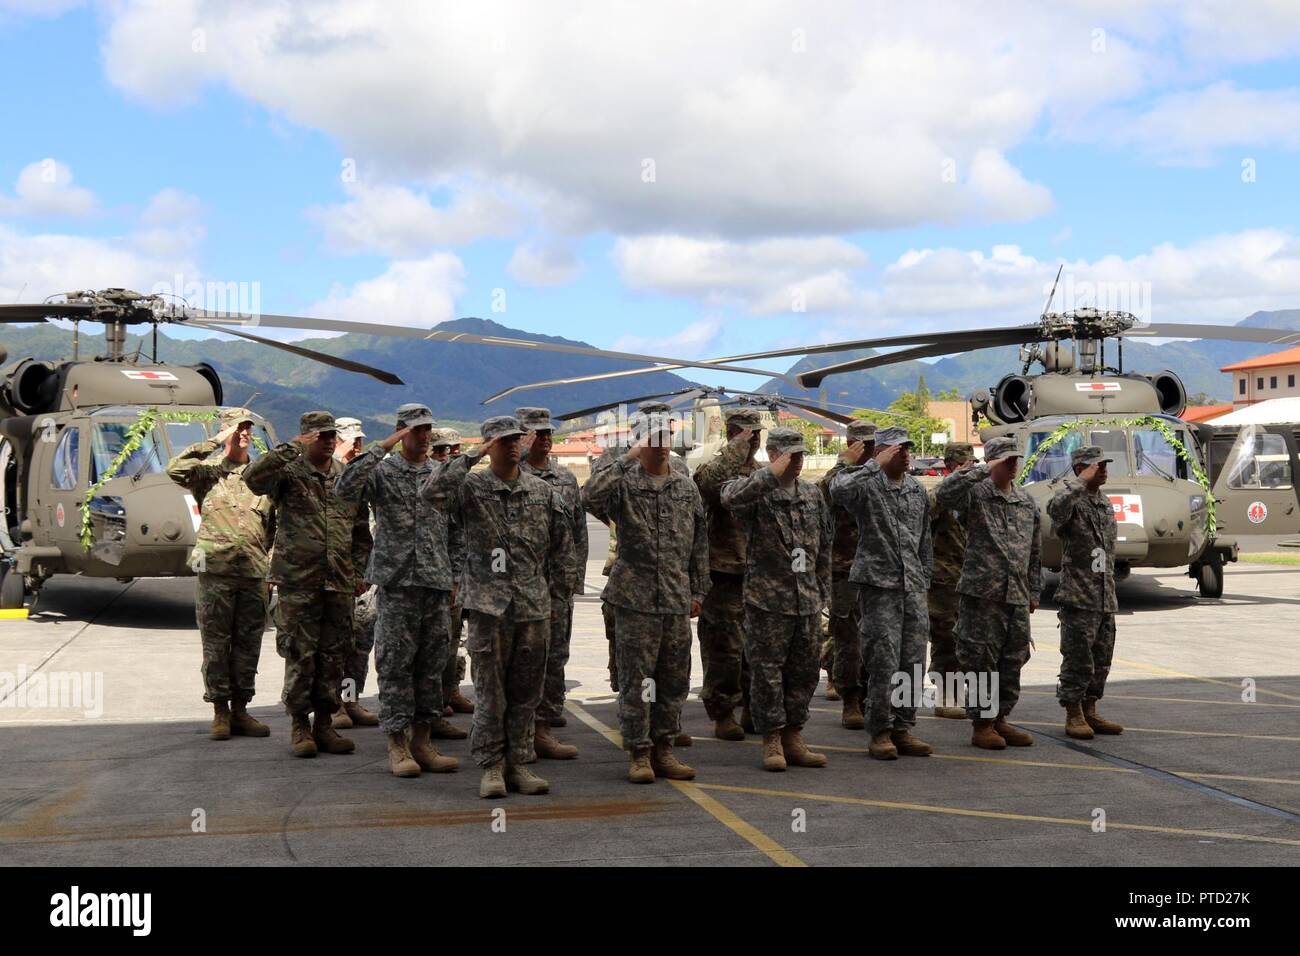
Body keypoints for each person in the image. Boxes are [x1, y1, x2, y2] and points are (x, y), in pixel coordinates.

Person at [422, 416, 573, 799]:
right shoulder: (471, 487)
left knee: (526, 692)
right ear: (490, 444)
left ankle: (519, 762)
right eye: (502, 440)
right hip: (490, 608)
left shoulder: (541, 490)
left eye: (515, 440)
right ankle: (491, 767)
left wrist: (557, 597)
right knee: (490, 693)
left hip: (532, 607)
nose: (511, 446)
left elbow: (562, 549)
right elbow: (431, 494)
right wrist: (472, 455)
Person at [583, 411, 708, 784]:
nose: (662, 444)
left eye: (666, 437)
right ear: (640, 442)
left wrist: (699, 590)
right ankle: (639, 752)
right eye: (653, 438)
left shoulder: (685, 486)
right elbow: (587, 497)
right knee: (638, 681)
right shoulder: (623, 483)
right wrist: (627, 458)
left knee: (674, 679)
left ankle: (664, 748)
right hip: (633, 598)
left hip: (674, 597)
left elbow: (699, 542)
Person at [336, 404, 459, 778]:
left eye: (427, 429)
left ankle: (423, 741)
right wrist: (382, 447)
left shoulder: (440, 474)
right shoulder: (383, 472)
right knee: (394, 665)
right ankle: (397, 744)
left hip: (435, 583)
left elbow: (457, 529)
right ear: (402, 432)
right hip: (397, 583)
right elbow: (345, 487)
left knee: (431, 665)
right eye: (416, 430)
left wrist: (456, 575)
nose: (424, 436)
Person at [243, 411, 370, 759]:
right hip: (299, 581)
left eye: (332, 435)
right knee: (301, 655)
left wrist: (358, 571)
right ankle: (300, 724)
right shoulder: (289, 472)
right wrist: (290, 448)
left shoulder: (346, 477)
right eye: (321, 435)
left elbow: (361, 531)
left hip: (339, 582)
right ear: (306, 437)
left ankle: (325, 724)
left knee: (333, 655)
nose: (329, 441)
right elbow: (253, 479)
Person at [720, 428, 831, 771]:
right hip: (768, 600)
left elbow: (823, 544)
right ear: (773, 455)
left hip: (807, 600)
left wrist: (823, 589)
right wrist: (770, 474)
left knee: (805, 671)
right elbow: (728, 497)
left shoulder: (812, 494)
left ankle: (794, 735)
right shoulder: (756, 492)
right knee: (767, 673)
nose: (797, 461)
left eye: (800, 455)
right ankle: (772, 738)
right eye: (790, 455)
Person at [166, 407, 275, 741]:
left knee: (248, 644)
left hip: (254, 574)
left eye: (249, 428)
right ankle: (220, 711)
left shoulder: (261, 477)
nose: (246, 433)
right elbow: (175, 469)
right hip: (216, 574)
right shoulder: (208, 474)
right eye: (240, 428)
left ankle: (242, 709)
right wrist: (214, 441)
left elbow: (274, 526)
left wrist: (269, 566)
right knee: (216, 645)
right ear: (227, 431)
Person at [829, 426, 934, 760]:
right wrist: (873, 464)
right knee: (882, 661)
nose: (905, 454)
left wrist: (924, 579)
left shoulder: (916, 490)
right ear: (883, 451)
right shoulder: (868, 484)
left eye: (908, 448)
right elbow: (837, 489)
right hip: (879, 587)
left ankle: (903, 728)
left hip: (913, 587)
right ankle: (880, 731)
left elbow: (924, 541)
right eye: (898, 448)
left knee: (913, 661)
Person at [935, 435, 1042, 750]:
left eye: (1015, 459)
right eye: (1005, 460)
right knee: (982, 660)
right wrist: (981, 470)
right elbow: (945, 494)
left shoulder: (1025, 501)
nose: (1013, 465)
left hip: (1017, 595)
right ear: (993, 461)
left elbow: (1034, 551)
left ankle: (1000, 719)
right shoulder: (976, 495)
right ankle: (982, 724)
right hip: (983, 596)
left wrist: (1034, 590)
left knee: (1013, 659)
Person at [516, 406, 587, 760]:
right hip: (521, 587)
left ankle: (543, 727)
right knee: (521, 661)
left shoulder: (565, 479)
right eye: (536, 434)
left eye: (547, 433)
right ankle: (518, 730)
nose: (544, 439)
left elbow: (578, 533)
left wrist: (574, 580)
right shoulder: (509, 476)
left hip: (556, 586)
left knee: (554, 657)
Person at [693, 407, 763, 740]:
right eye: (746, 434)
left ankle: (753, 706)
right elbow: (711, 484)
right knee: (725, 650)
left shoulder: (762, 472)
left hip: (757, 575)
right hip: (723, 574)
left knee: (757, 649)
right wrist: (736, 446)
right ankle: (723, 713)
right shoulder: (715, 469)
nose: (753, 440)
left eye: (756, 434)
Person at [1047, 445, 1123, 740]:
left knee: (1102, 657)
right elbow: (1055, 511)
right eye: (1096, 465)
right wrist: (1080, 481)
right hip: (1078, 595)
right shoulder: (1070, 499)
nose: (1103, 469)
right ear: (1080, 468)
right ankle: (1074, 711)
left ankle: (1091, 707)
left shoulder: (1103, 503)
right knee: (1078, 657)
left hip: (1104, 594)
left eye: (1105, 464)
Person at [818, 419, 875, 729]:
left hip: (876, 570)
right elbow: (825, 494)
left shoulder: (877, 474)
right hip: (844, 570)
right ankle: (850, 700)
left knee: (876, 638)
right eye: (859, 443)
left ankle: (872, 697)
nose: (864, 450)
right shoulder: (837, 476)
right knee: (848, 639)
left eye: (869, 444)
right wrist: (844, 464)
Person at [331, 415, 379, 730]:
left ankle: (350, 699)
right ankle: (332, 704)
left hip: (361, 575)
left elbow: (364, 530)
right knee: (334, 643)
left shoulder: (366, 476)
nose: (356, 445)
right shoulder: (325, 473)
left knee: (360, 642)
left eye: (360, 440)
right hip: (329, 575)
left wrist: (361, 572)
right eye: (349, 439)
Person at [926, 442, 975, 720]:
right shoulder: (941, 496)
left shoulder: (977, 496)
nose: (966, 471)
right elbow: (928, 511)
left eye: (970, 466)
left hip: (974, 580)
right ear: (950, 468)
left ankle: (969, 690)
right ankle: (947, 693)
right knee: (946, 637)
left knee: (972, 639)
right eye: (960, 467)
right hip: (944, 582)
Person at [430, 427, 473, 737]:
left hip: (455, 576)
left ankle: (449, 692)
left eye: (454, 449)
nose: (449, 455)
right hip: (428, 578)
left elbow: (459, 536)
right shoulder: (432, 484)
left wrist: (458, 578)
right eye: (443, 450)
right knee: (433, 645)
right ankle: (432, 705)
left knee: (454, 641)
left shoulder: (459, 485)